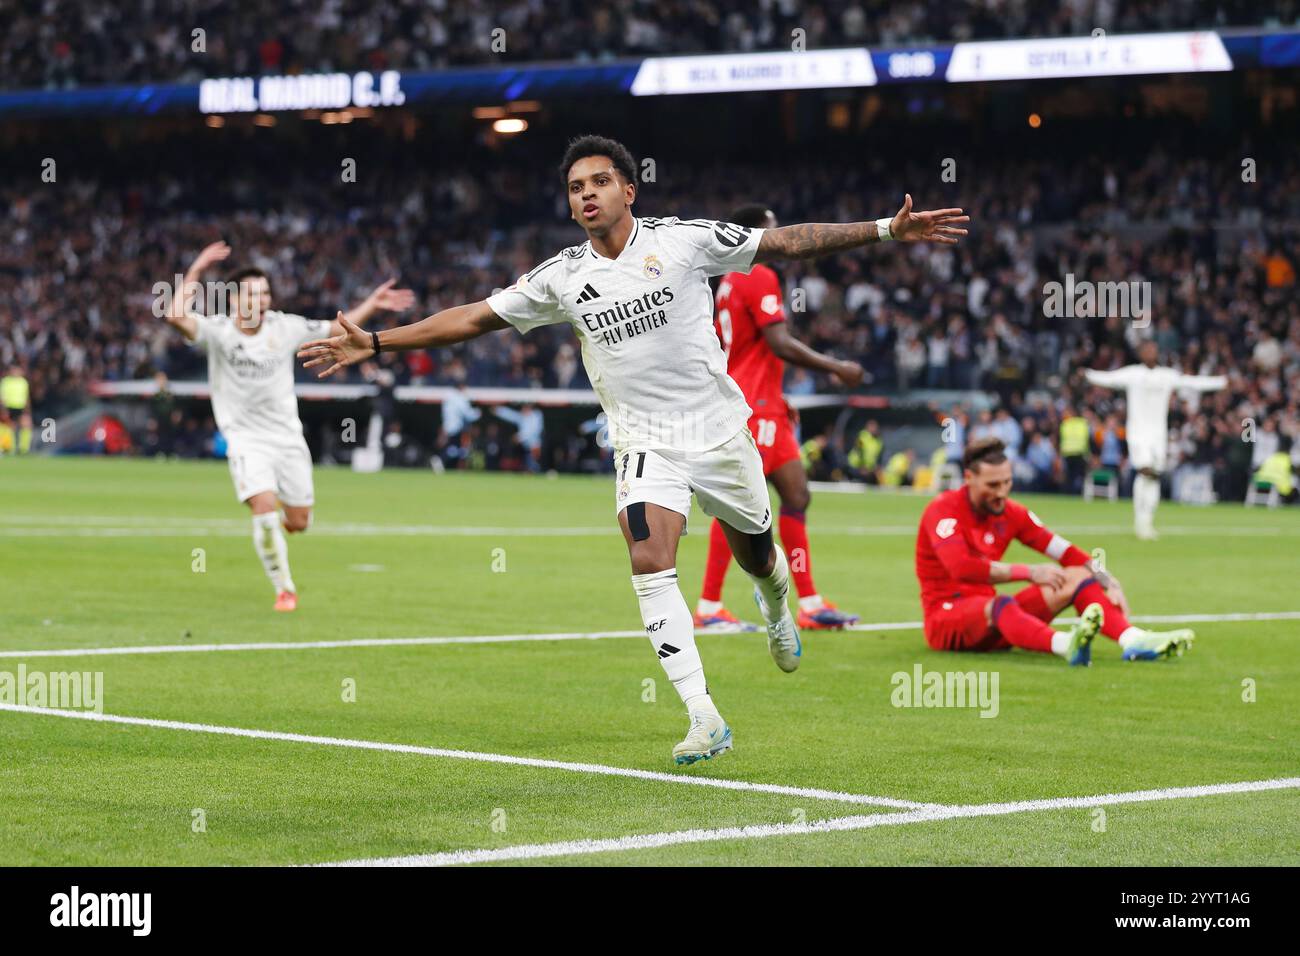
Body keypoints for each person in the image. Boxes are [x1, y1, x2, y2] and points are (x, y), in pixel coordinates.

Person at [298, 133, 969, 764]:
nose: (585, 195)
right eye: (574, 187)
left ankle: (773, 602)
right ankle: (702, 713)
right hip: (646, 440)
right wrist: (379, 342)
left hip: (718, 430)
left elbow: (787, 241)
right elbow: (475, 317)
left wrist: (886, 229)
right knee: (648, 555)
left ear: (630, 190)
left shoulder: (684, 242)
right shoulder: (562, 276)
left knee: (756, 550)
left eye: (599, 182)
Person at [163, 240, 414, 610]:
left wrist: (373, 305)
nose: (261, 300)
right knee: (264, 511)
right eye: (253, 293)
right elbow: (174, 316)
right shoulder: (217, 331)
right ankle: (285, 589)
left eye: (265, 293)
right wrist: (198, 268)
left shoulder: (286, 327)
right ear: (234, 300)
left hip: (287, 438)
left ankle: (281, 529)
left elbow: (335, 327)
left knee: (298, 523)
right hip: (245, 439)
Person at [694, 203, 864, 634]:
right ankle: (710, 605)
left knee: (797, 494)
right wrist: (837, 367)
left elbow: (748, 349)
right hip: (754, 408)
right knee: (740, 507)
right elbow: (779, 342)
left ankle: (809, 602)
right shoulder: (757, 272)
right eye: (772, 230)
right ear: (754, 234)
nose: (779, 238)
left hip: (767, 402)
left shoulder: (727, 283)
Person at [915, 436, 1195, 664]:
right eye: (992, 485)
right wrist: (1030, 572)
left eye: (1007, 482)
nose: (1002, 492)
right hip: (947, 620)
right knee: (1001, 604)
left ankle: (1132, 639)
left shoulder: (1010, 512)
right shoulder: (943, 510)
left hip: (997, 621)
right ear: (968, 478)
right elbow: (961, 567)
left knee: (1074, 576)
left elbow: (1066, 552)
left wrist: (1107, 579)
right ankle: (1065, 645)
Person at [1085, 341, 1226, 540]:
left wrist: (1219, 382)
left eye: (1153, 350)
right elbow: (1108, 378)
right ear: (1141, 354)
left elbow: (1191, 382)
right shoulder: (1133, 374)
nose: (1150, 353)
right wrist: (1088, 374)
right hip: (1137, 432)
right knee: (1145, 470)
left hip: (1158, 434)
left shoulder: (1166, 376)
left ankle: (1147, 521)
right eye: (1146, 350)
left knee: (1154, 476)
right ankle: (1140, 521)